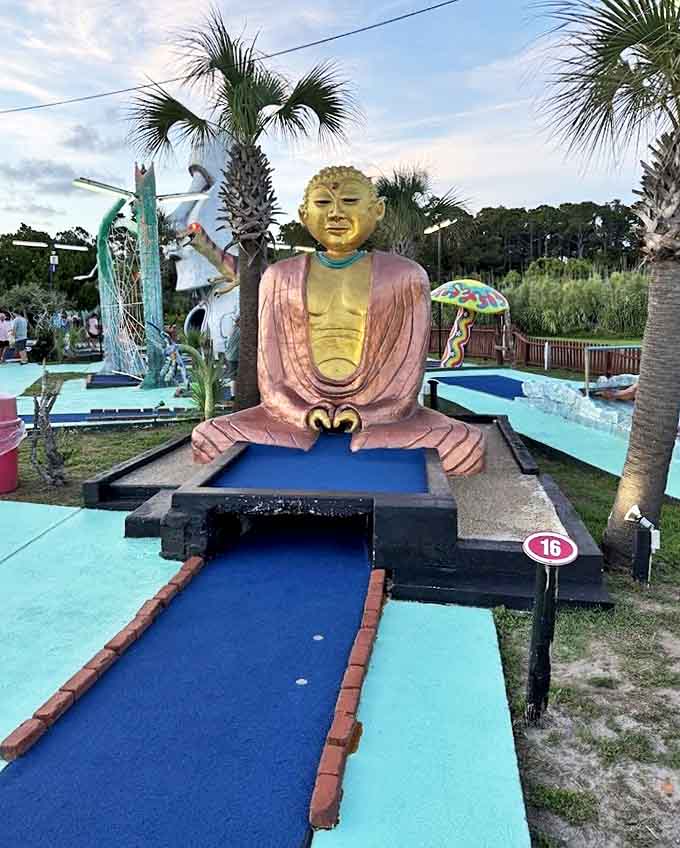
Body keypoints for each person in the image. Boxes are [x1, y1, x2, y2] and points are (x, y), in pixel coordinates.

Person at [191, 165, 485, 477]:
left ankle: (368, 435)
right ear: (304, 215)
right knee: (210, 435)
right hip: (296, 406)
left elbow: (407, 373)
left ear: (377, 210)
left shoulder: (406, 276)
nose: (335, 214)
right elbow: (272, 376)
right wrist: (300, 411)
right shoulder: (279, 277)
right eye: (322, 204)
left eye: (349, 201)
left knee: (466, 442)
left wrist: (372, 412)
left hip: (381, 408)